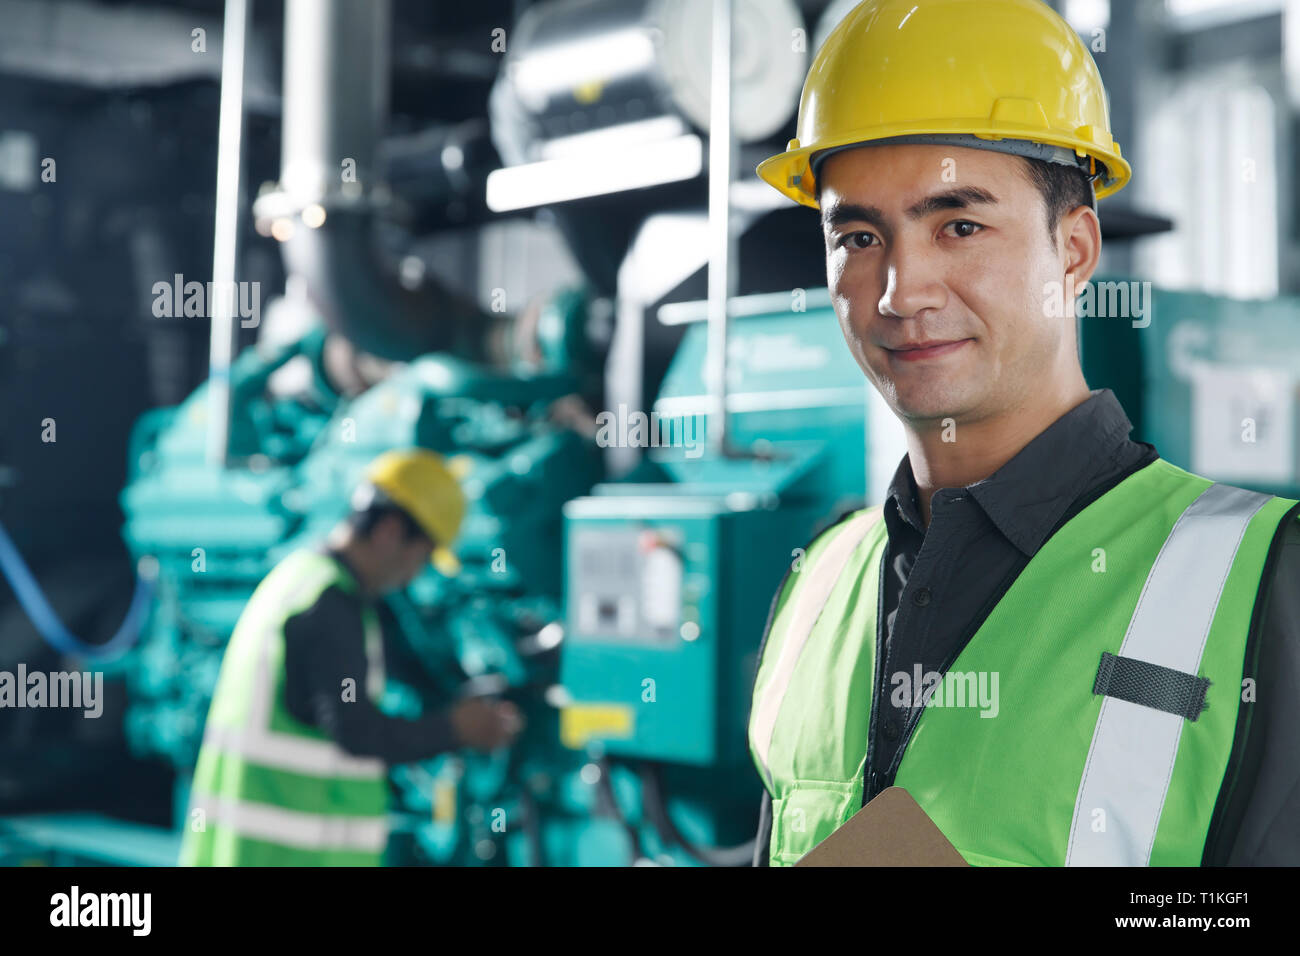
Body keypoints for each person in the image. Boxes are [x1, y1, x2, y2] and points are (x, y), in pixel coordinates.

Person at [748, 0, 1300, 866]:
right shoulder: (815, 583)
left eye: (959, 225)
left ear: (1073, 252)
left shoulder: (1265, 583)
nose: (900, 291)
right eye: (858, 235)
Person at [180, 448, 523, 866]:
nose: (415, 575)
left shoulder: (299, 580)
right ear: (391, 531)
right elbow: (354, 730)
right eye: (423, 555)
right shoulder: (331, 605)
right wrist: (457, 728)